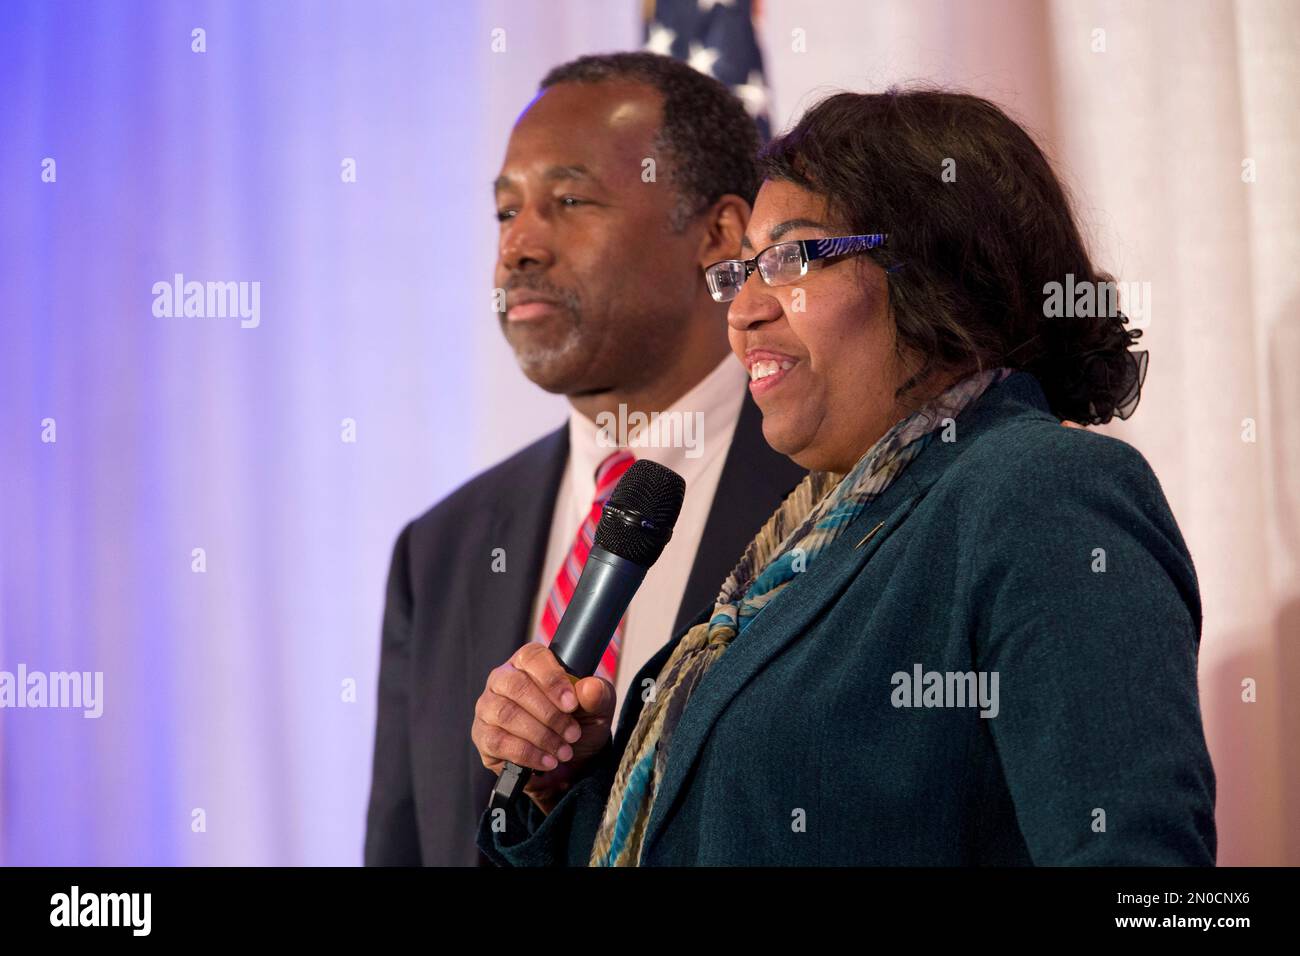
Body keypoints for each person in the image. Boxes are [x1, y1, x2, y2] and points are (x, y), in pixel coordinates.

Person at [472, 88, 1217, 866]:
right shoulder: (794, 550)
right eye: (742, 270)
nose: (744, 309)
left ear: (937, 265)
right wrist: (569, 783)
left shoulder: (1041, 491)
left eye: (792, 258)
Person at [363, 53, 804, 865]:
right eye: (505, 212)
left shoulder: (838, 496)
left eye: (568, 201)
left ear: (718, 235)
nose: (520, 248)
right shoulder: (441, 551)